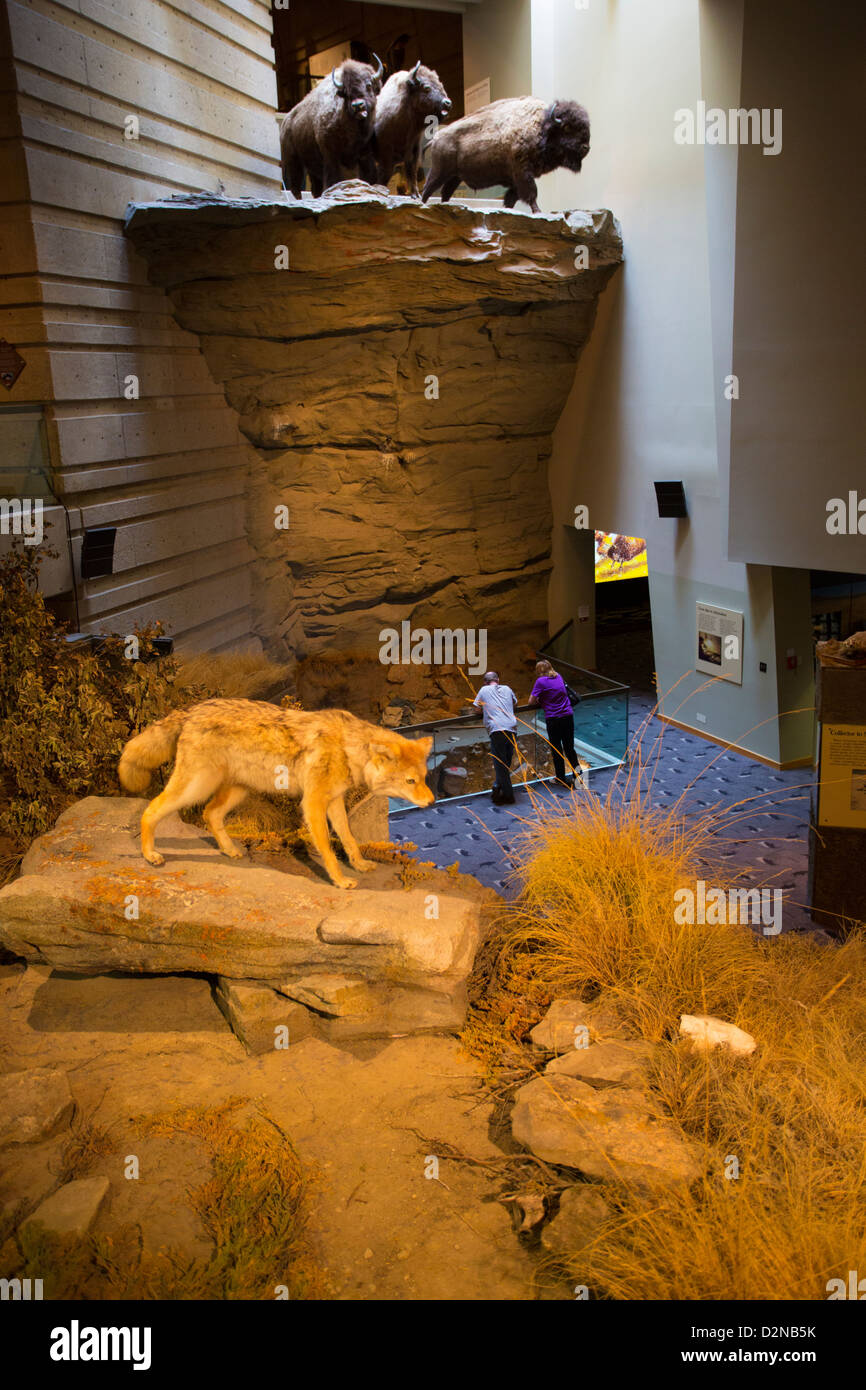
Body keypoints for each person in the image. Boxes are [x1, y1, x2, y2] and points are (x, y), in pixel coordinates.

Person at [528, 659, 578, 787]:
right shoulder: (558, 676)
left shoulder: (540, 682)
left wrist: (542, 699)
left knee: (557, 749)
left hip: (553, 719)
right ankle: (579, 777)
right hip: (567, 716)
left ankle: (560, 778)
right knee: (570, 748)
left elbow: (531, 702)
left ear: (539, 671)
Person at [472, 670, 519, 805]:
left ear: (485, 682)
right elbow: (515, 703)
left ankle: (508, 796)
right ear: (497, 680)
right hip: (511, 727)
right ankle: (497, 787)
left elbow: (476, 709)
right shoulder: (507, 688)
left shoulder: (483, 690)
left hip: (497, 729)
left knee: (500, 765)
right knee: (507, 761)